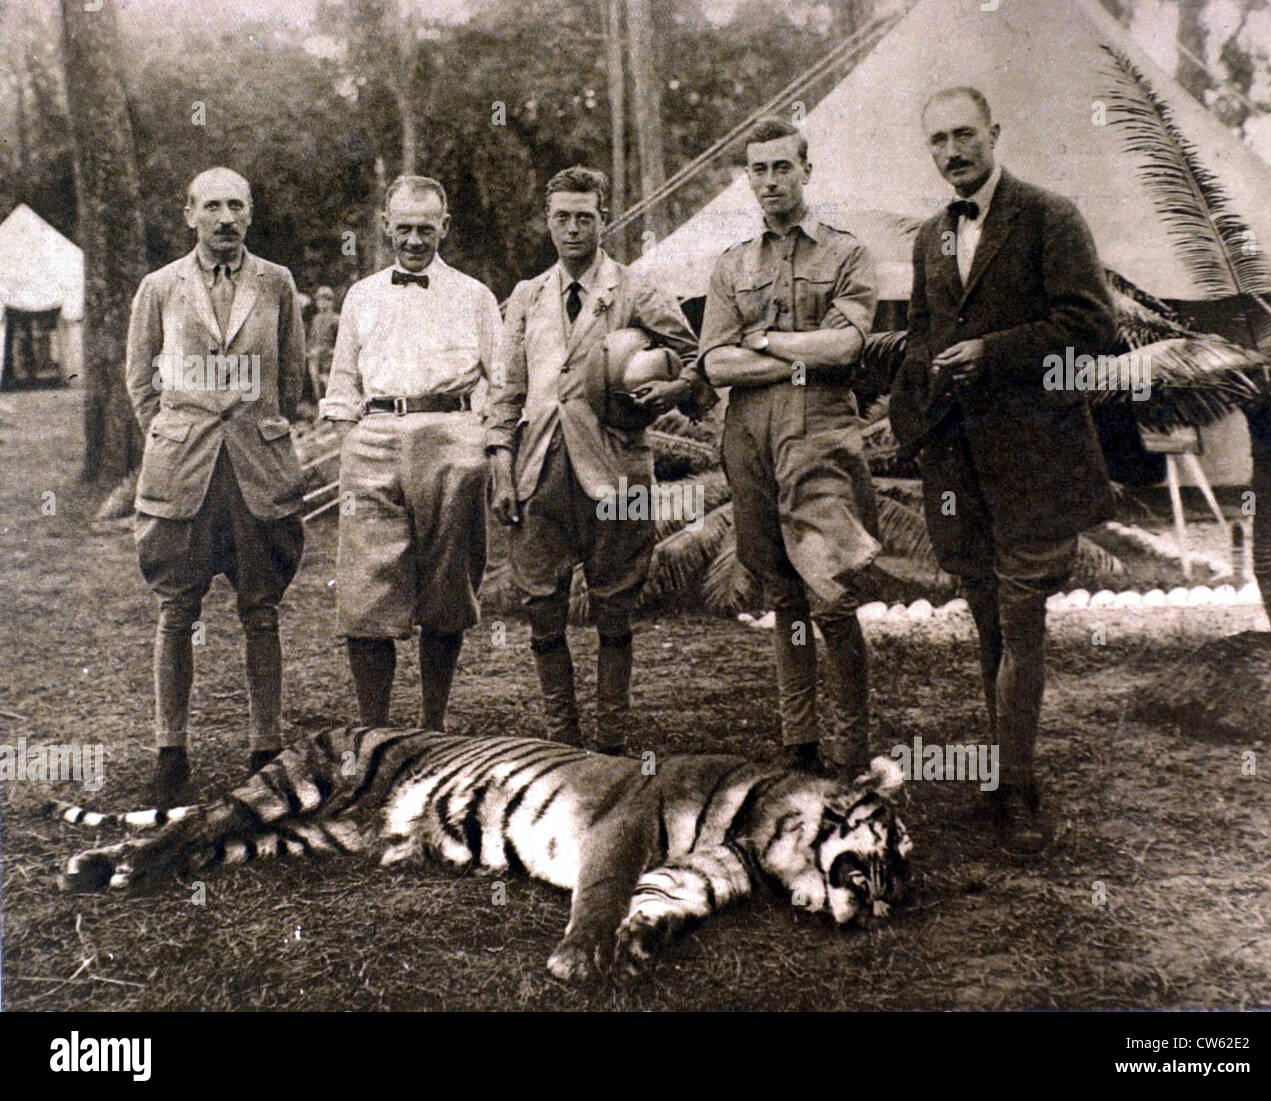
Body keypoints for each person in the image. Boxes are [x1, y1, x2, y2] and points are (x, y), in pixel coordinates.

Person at [889, 86, 1117, 855]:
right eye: (937, 141)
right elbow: (920, 334)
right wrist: (915, 409)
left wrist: (993, 352)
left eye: (963, 135)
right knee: (987, 618)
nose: (951, 151)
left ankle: (1016, 790)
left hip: (1033, 458)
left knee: (1022, 621)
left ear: (995, 131)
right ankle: (1003, 774)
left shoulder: (1049, 215)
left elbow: (1091, 328)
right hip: (957, 465)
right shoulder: (929, 235)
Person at [486, 166, 715, 753]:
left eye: (584, 217)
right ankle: (562, 739)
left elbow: (697, 360)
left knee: (615, 611)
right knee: (543, 609)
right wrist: (501, 467)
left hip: (616, 472)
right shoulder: (527, 296)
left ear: (603, 220)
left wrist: (668, 386)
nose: (572, 229)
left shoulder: (636, 289)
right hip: (539, 470)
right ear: (548, 221)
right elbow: (507, 393)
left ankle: (610, 743)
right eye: (561, 217)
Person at [698, 117, 881, 776]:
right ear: (749, 178)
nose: (771, 180)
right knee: (783, 598)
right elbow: (715, 364)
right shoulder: (732, 264)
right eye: (759, 169)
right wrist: (798, 352)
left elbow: (846, 346)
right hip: (749, 440)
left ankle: (853, 753)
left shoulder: (847, 254)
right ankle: (799, 744)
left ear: (807, 169)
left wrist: (766, 342)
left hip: (821, 439)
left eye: (782, 167)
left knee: (832, 598)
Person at [124, 166, 307, 805]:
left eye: (236, 205)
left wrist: (255, 431)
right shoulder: (159, 287)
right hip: (185, 474)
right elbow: (141, 382)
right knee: (177, 611)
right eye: (212, 206)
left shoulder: (277, 283)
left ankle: (265, 747)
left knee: (261, 610)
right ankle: (170, 752)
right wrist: (176, 434)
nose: (224, 218)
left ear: (250, 214)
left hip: (257, 470)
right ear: (189, 214)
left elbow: (291, 377)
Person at [320, 176, 501, 732]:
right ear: (386, 227)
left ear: (444, 228)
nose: (416, 240)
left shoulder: (474, 296)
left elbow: (501, 381)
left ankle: (431, 728)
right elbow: (343, 378)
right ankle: (374, 730)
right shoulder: (362, 296)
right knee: (365, 594)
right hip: (374, 437)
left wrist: (483, 446)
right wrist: (344, 438)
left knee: (446, 592)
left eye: (427, 229)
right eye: (405, 229)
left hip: (451, 437)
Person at [305, 285, 340, 403]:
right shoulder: (316, 319)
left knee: (328, 382)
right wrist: (309, 350)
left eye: (325, 299)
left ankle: (331, 409)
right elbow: (312, 338)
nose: (321, 303)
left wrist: (333, 351)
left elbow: (340, 339)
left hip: (329, 356)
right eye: (319, 300)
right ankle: (320, 409)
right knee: (316, 382)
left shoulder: (336, 319)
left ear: (330, 301)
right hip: (316, 356)